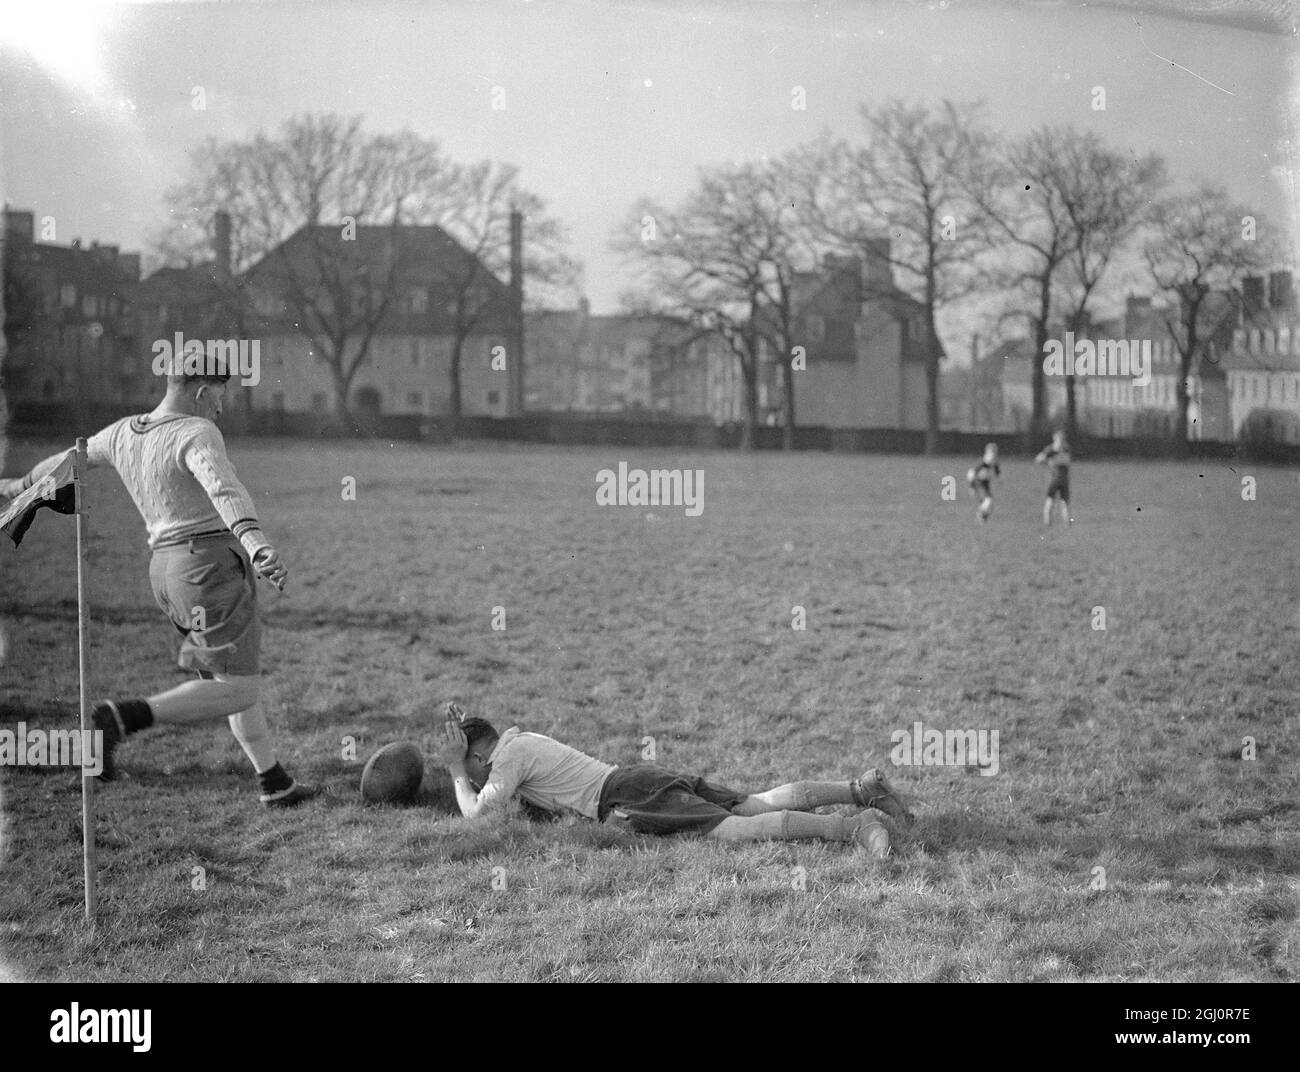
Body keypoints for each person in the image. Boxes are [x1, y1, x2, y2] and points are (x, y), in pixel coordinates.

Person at [0, 366, 320, 807]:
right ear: (201, 392)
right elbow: (224, 489)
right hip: (207, 567)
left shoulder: (122, 432)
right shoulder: (198, 431)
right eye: (219, 398)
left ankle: (274, 782)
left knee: (226, 679)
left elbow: (69, 458)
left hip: (166, 571)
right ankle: (121, 717)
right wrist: (259, 546)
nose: (221, 408)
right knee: (240, 688)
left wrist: (16, 486)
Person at [431, 703, 913, 858]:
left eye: (471, 767)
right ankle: (861, 788)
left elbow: (476, 815)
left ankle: (854, 828)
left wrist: (455, 770)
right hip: (635, 778)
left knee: (739, 828)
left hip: (626, 794)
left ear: (477, 757)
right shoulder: (520, 739)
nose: (476, 778)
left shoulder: (507, 760)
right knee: (754, 802)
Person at [1034, 430, 1072, 526]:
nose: (1061, 441)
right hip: (1059, 479)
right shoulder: (1057, 450)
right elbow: (1039, 459)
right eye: (1060, 439)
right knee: (1057, 501)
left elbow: (1038, 459)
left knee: (1058, 500)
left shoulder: (1060, 449)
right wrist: (1049, 462)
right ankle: (1055, 522)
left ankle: (1058, 522)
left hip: (1060, 479)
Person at [966, 442, 1000, 523]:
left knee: (988, 503)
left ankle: (982, 517)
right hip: (979, 482)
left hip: (985, 483)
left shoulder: (992, 462)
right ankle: (980, 515)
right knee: (988, 501)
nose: (994, 454)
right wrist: (971, 486)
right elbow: (972, 473)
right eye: (992, 451)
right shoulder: (984, 462)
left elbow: (996, 470)